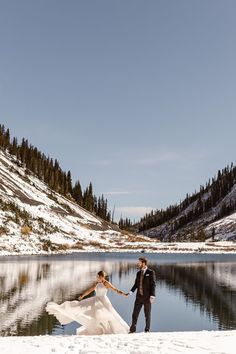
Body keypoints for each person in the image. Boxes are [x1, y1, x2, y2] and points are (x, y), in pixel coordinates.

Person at [45, 270, 129, 335]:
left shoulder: (106, 283)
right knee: (84, 309)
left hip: (103, 301)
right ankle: (100, 330)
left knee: (110, 315)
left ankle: (111, 330)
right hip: (96, 300)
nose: (97, 278)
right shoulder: (96, 284)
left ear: (102, 277)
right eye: (97, 277)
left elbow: (115, 289)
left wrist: (123, 294)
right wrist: (82, 296)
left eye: (98, 277)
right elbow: (89, 291)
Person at [127, 257, 156, 333]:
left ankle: (147, 330)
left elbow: (153, 284)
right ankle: (132, 330)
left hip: (147, 297)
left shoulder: (151, 272)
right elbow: (136, 284)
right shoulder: (138, 273)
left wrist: (152, 295)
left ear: (144, 263)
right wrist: (130, 292)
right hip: (139, 297)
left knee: (147, 315)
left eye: (139, 262)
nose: (138, 264)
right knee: (135, 314)